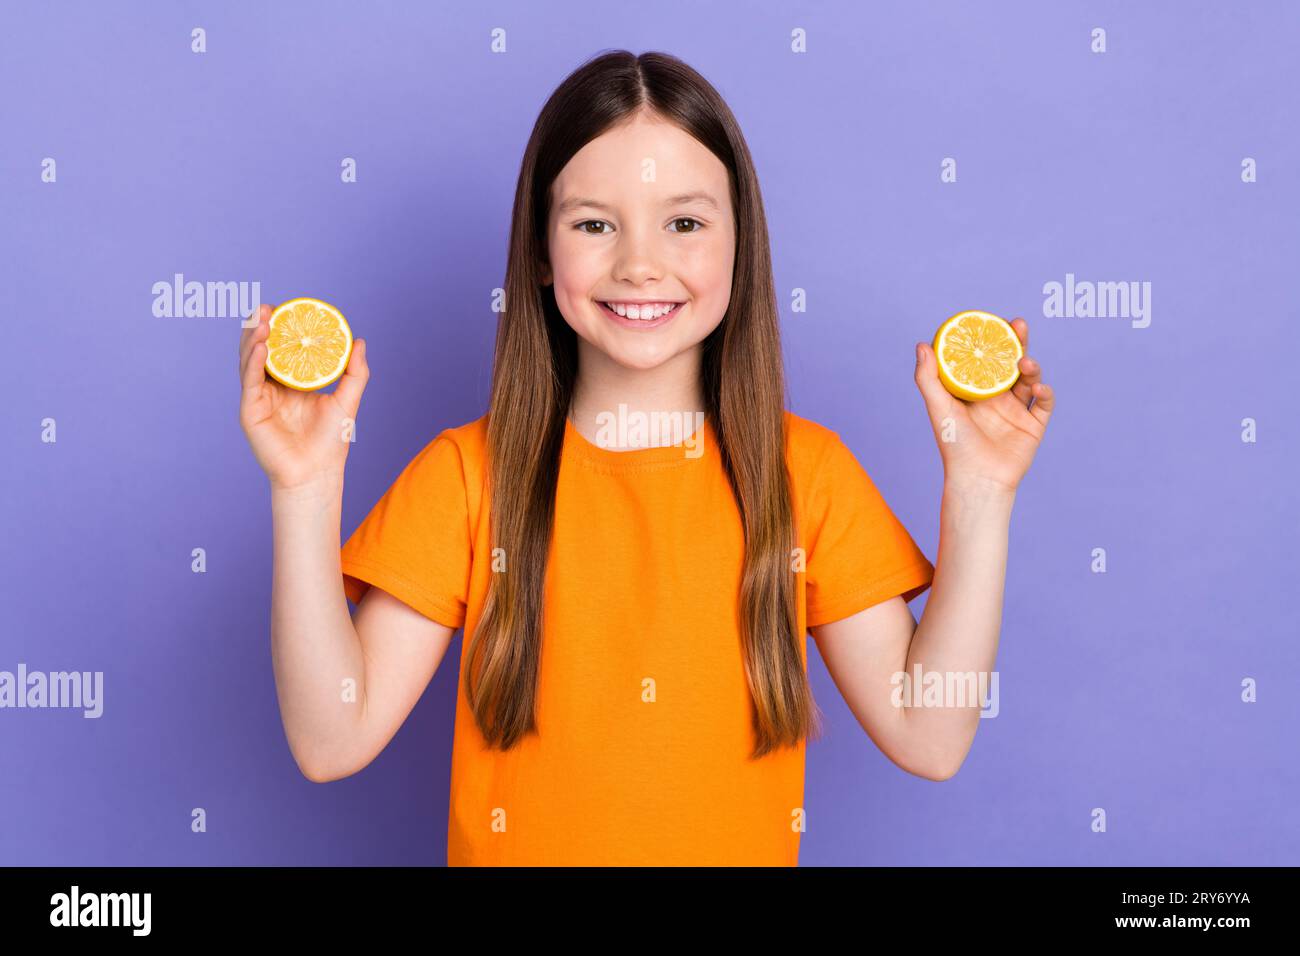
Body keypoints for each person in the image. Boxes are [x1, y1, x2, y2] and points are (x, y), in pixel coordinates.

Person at [236, 50, 1055, 866]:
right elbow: (329, 739)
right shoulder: (465, 477)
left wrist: (981, 489)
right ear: (539, 253)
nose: (639, 263)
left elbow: (931, 735)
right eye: (595, 223)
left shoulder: (807, 476)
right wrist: (303, 488)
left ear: (742, 247)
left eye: (685, 223)